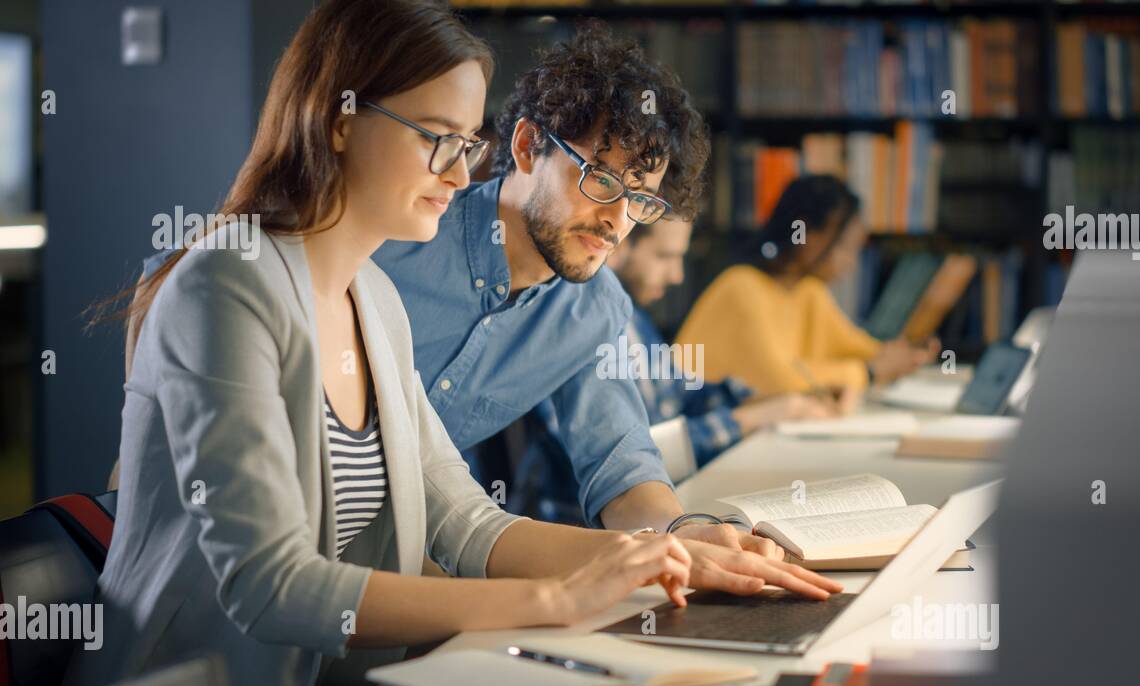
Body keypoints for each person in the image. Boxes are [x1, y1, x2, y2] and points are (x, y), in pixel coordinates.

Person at [69, 0, 840, 686]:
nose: (458, 168)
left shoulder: (371, 297)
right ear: (339, 124)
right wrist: (554, 598)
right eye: (436, 135)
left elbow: (472, 518)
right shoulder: (248, 279)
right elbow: (273, 584)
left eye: (466, 142)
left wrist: (663, 550)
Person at [372, 24, 820, 575]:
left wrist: (681, 534)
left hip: (414, 553)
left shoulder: (595, 306)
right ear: (527, 147)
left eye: (640, 200)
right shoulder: (398, 236)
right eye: (602, 181)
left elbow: (618, 461)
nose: (617, 221)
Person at [517, 217, 836, 524]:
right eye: (664, 257)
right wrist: (748, 420)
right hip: (579, 527)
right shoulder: (579, 323)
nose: (677, 276)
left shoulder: (635, 321)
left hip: (645, 514)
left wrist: (762, 401)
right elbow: (629, 459)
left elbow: (681, 393)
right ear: (618, 243)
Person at [675, 175, 939, 403]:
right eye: (846, 247)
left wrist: (904, 353)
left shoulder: (807, 291)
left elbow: (858, 347)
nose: (852, 264)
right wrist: (869, 373)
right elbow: (781, 384)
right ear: (807, 234)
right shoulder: (741, 287)